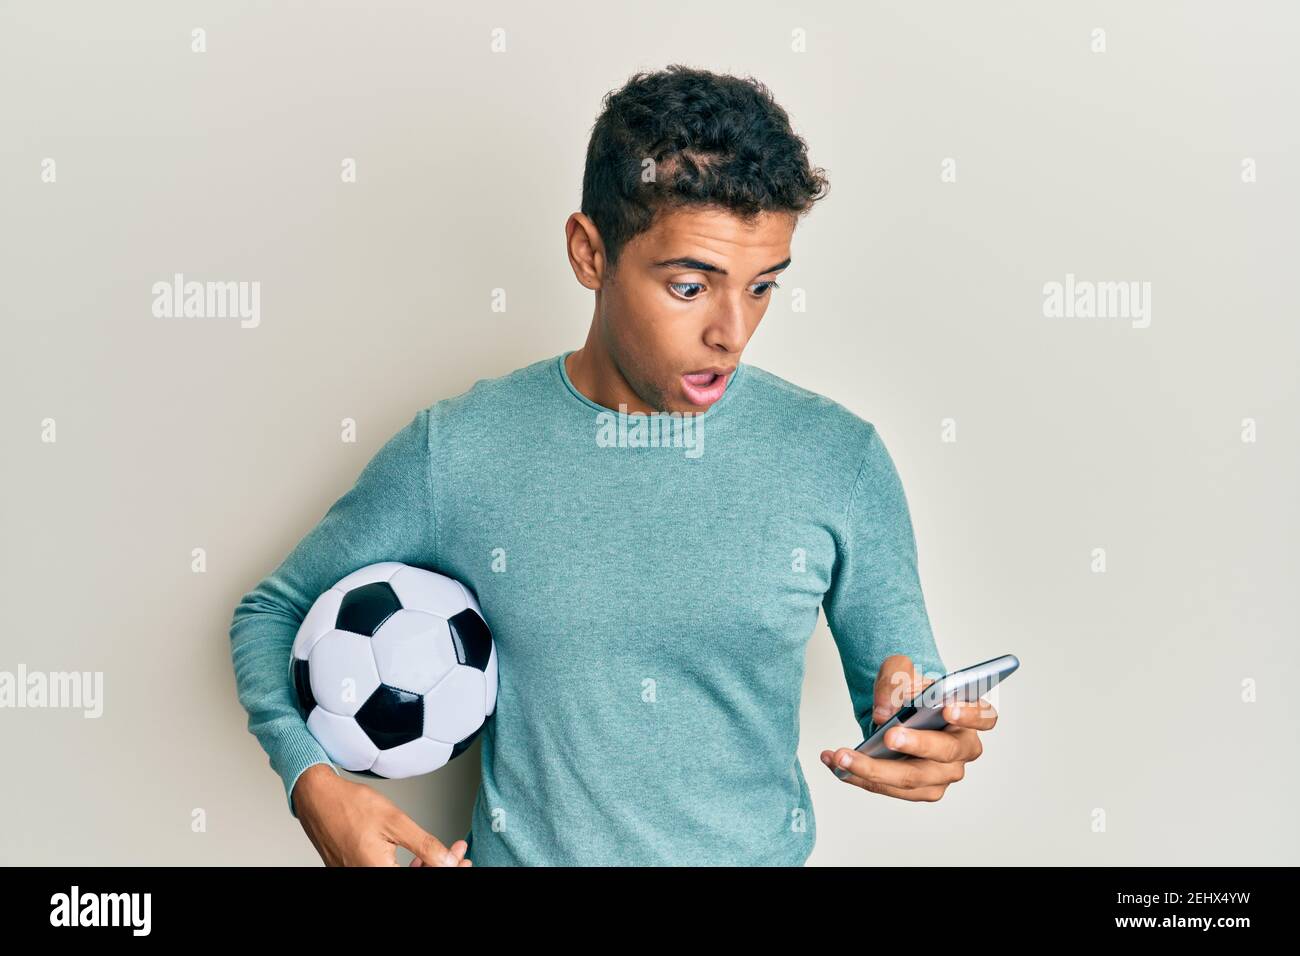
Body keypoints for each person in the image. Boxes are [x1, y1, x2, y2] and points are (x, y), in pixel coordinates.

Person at [229, 64, 997, 867]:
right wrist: (312, 782)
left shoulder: (838, 458)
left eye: (762, 287)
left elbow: (907, 696)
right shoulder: (459, 450)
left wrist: (925, 737)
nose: (732, 332)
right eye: (690, 286)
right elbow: (272, 610)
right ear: (590, 253)